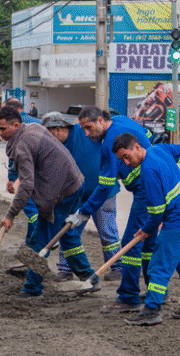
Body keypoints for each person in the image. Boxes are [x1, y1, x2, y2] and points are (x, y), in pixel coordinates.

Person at [0, 106, 100, 298]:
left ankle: (32, 288)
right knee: (66, 236)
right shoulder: (32, 128)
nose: (0, 133)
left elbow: (26, 186)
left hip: (61, 191)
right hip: (75, 182)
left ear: (16, 125)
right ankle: (89, 277)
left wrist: (10, 215)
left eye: (3, 129)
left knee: (40, 239)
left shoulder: (21, 146)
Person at [112, 132, 180, 326]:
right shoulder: (160, 149)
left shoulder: (147, 172)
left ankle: (151, 310)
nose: (126, 162)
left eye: (126, 156)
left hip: (179, 223)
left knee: (159, 266)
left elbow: (157, 211)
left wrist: (146, 230)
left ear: (137, 147)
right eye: (121, 159)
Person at [65, 106, 154, 313]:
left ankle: (129, 297)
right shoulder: (123, 120)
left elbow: (105, 186)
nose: (87, 134)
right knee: (148, 244)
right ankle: (157, 292)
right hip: (152, 184)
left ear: (100, 121)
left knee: (130, 245)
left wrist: (83, 212)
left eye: (89, 128)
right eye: (83, 129)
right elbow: (147, 135)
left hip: (145, 191)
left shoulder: (110, 145)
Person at [41, 112, 122, 282]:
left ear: (57, 129)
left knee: (107, 231)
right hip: (76, 197)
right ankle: (65, 269)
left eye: (48, 134)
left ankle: (117, 266)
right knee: (69, 231)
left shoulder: (86, 131)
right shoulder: (54, 147)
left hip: (103, 193)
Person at [4, 98, 40, 245]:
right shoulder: (37, 122)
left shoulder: (15, 125)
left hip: (27, 175)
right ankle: (29, 243)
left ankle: (35, 243)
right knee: (38, 210)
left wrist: (12, 178)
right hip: (43, 174)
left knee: (32, 211)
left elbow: (14, 154)